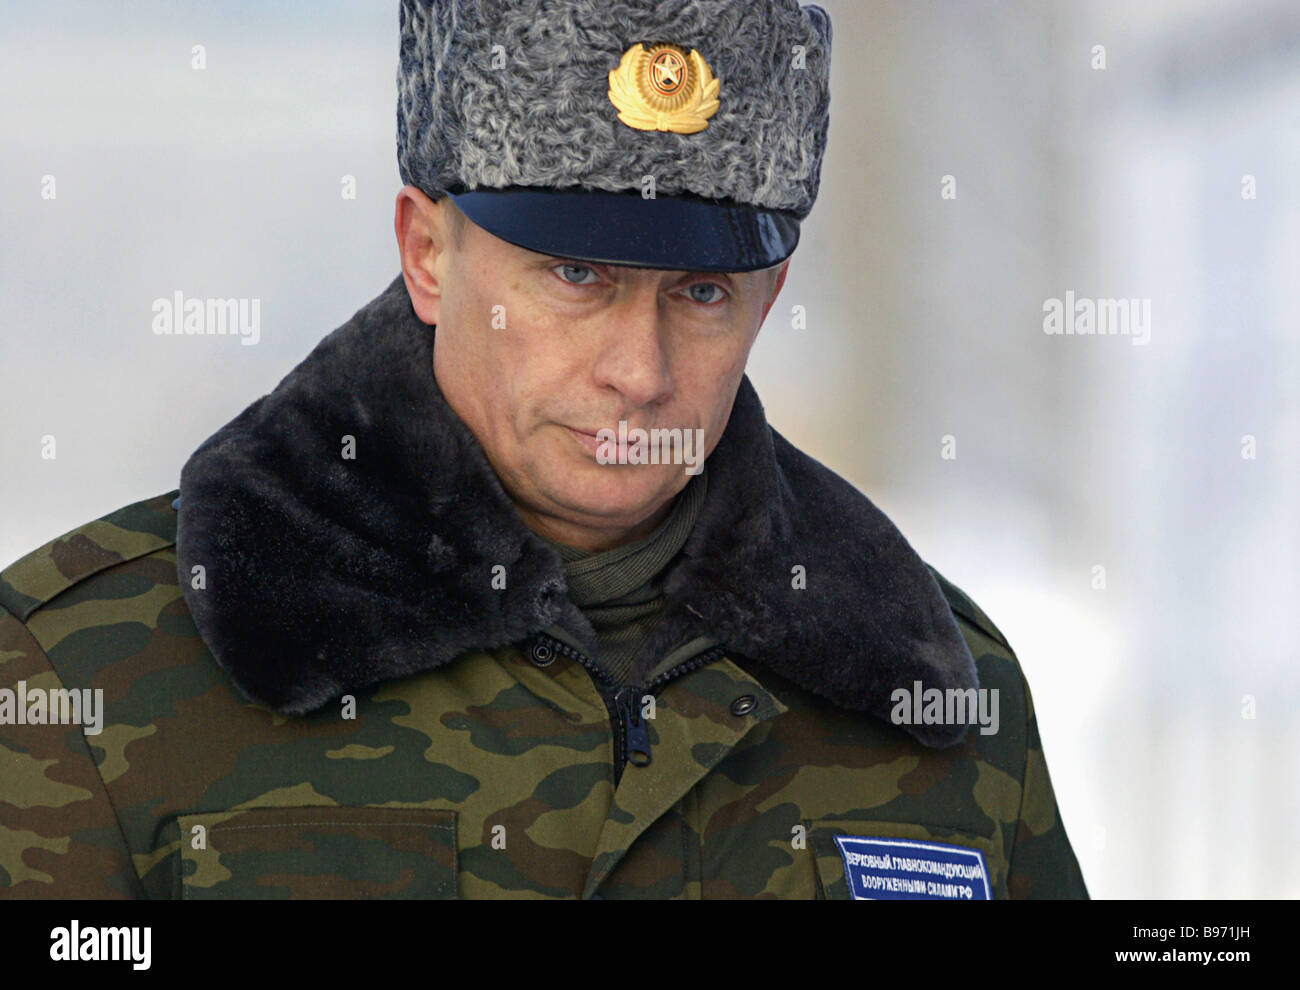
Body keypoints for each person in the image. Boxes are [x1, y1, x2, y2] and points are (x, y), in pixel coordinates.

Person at [0, 0, 1087, 899]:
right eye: (577, 277)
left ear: (770, 299)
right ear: (428, 254)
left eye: (702, 294)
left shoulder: (936, 697)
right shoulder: (89, 677)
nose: (639, 369)